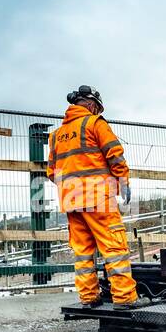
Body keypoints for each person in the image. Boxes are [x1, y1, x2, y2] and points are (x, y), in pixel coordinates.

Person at [46, 85, 136, 307]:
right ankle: (124, 298)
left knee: (83, 252)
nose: (97, 111)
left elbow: (51, 172)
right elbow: (115, 156)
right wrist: (123, 182)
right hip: (98, 199)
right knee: (114, 248)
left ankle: (88, 297)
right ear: (91, 104)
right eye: (96, 107)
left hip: (71, 201)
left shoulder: (56, 135)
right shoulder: (95, 124)